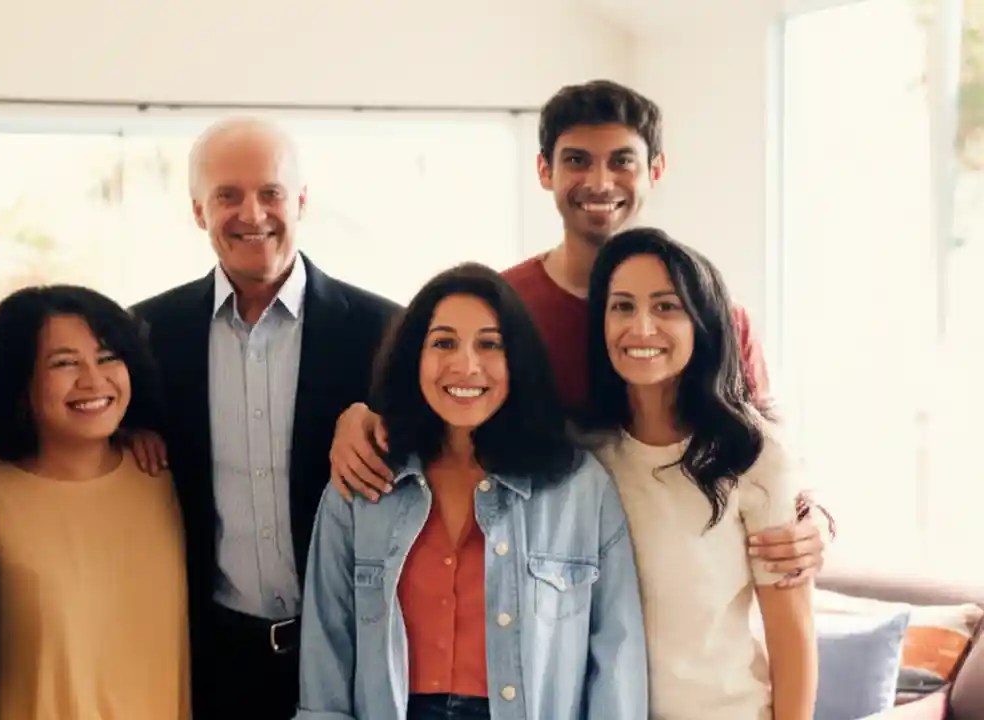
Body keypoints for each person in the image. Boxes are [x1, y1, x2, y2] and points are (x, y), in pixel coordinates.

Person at [328, 79, 830, 582]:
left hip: (683, 591)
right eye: (576, 160)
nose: (599, 181)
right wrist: (360, 417)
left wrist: (817, 525)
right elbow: (433, 417)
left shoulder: (716, 318)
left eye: (622, 161)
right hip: (537, 587)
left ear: (656, 170)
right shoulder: (502, 307)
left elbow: (769, 456)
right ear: (545, 171)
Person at [126, 117, 400, 719]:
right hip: (211, 661)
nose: (252, 214)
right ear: (199, 210)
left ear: (301, 202)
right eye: (228, 195)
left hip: (351, 652)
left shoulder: (386, 332)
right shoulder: (144, 335)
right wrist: (126, 435)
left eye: (271, 192)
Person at [296, 263, 648, 720]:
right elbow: (327, 648)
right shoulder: (364, 479)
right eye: (443, 342)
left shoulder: (578, 489)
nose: (465, 365)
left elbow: (617, 658)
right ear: (413, 358)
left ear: (515, 360)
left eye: (489, 344)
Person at [586, 227, 817, 719]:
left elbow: (792, 639)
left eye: (667, 306)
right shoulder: (584, 454)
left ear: (703, 323)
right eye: (622, 306)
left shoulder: (753, 454)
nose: (641, 327)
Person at [0, 284, 187, 719]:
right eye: (64, 363)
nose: (93, 379)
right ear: (20, 382)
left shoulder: (165, 477)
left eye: (107, 357)